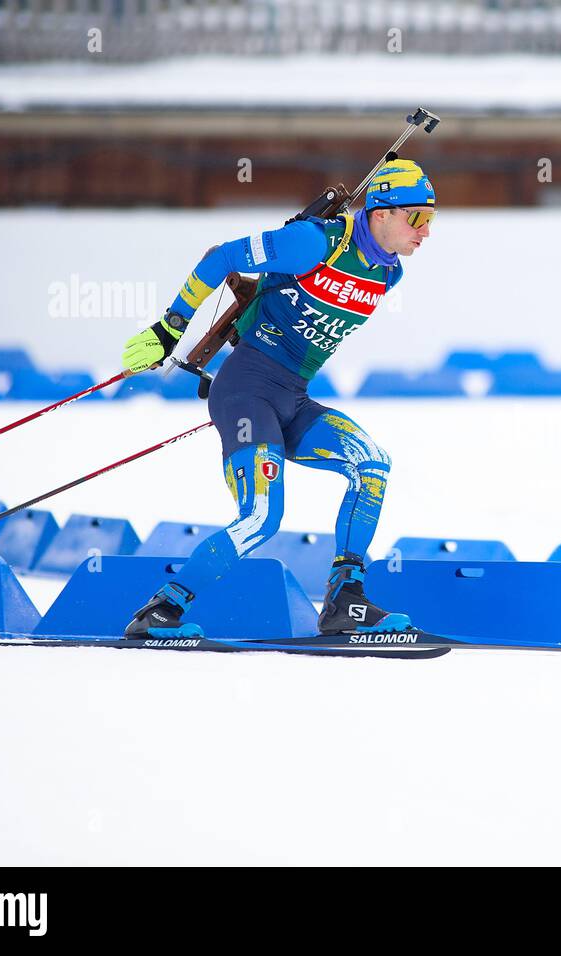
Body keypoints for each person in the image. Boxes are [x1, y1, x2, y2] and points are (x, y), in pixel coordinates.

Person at [117, 159, 434, 639]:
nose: (426, 231)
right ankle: (161, 610)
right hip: (245, 392)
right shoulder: (315, 242)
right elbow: (221, 257)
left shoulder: (390, 274)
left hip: (293, 399)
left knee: (372, 464)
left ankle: (344, 599)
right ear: (380, 211)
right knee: (263, 517)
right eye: (416, 217)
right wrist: (170, 327)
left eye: (432, 219)